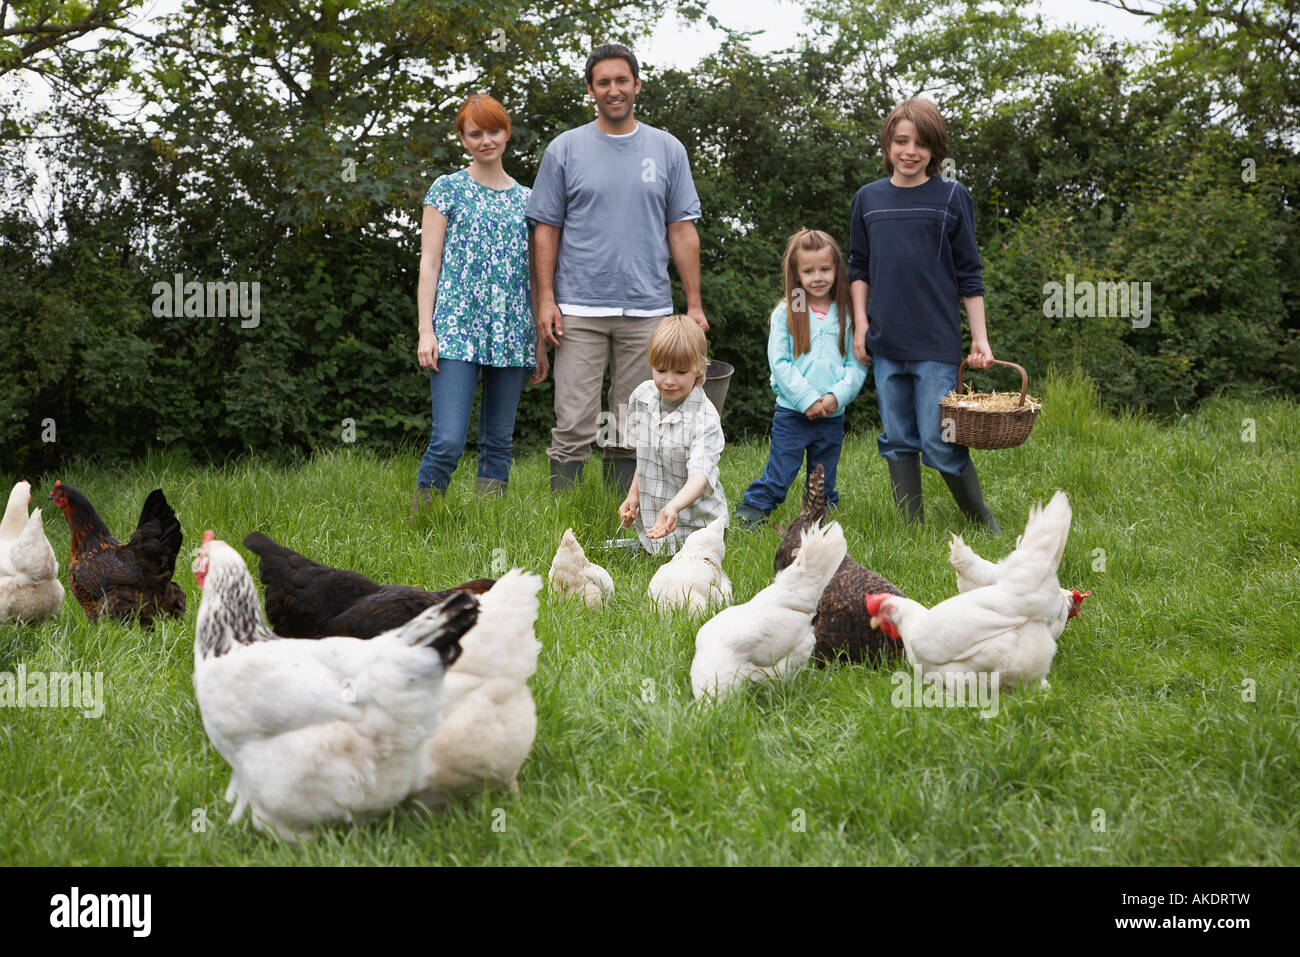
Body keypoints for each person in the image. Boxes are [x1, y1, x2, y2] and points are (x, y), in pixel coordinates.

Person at [526, 42, 707, 495]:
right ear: (590, 89)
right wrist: (545, 299)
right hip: (577, 308)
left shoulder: (667, 150)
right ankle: (562, 520)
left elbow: (682, 230)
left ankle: (620, 519)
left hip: (647, 309)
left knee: (633, 424)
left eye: (621, 80)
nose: (613, 90)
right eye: (603, 82)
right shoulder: (564, 150)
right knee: (572, 422)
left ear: (637, 85)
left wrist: (694, 305)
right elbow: (545, 230)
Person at [848, 97, 1000, 533]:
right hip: (886, 342)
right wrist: (861, 325)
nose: (910, 151)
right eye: (901, 141)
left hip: (935, 343)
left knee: (938, 438)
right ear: (888, 144)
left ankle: (980, 518)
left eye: (921, 143)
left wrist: (979, 339)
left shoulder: (953, 197)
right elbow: (858, 267)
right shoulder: (868, 199)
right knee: (897, 438)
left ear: (935, 149)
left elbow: (970, 274)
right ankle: (911, 528)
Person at [413, 93, 546, 513]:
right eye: (476, 133)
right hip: (455, 327)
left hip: (513, 330)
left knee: (499, 441)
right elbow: (429, 263)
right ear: (464, 139)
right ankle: (423, 521)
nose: (486, 139)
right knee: (449, 438)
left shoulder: (529, 199)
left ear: (506, 133)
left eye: (494, 130)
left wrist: (540, 342)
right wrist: (425, 329)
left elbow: (536, 274)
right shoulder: (447, 189)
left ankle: (488, 526)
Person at [735, 229, 868, 529]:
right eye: (808, 271)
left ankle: (815, 522)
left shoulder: (846, 313)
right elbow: (779, 363)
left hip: (832, 415)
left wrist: (836, 397)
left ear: (837, 270)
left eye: (825, 269)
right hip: (792, 413)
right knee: (781, 471)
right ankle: (752, 511)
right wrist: (807, 399)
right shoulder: (788, 311)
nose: (817, 277)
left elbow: (856, 365)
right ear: (796, 273)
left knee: (823, 477)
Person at [617, 315, 727, 555]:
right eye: (661, 369)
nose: (668, 380)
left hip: (698, 526)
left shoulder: (705, 419)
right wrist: (633, 495)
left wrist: (674, 506)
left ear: (698, 369)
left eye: (680, 371)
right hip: (656, 521)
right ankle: (651, 548)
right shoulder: (642, 397)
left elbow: (699, 476)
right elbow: (645, 455)